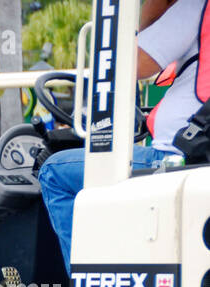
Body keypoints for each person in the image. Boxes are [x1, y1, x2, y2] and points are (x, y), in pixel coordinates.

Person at [40, 0, 197, 267]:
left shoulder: (194, 8)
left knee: (53, 171)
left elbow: (130, 64)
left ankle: (87, 285)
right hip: (189, 153)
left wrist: (153, 6)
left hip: (175, 157)